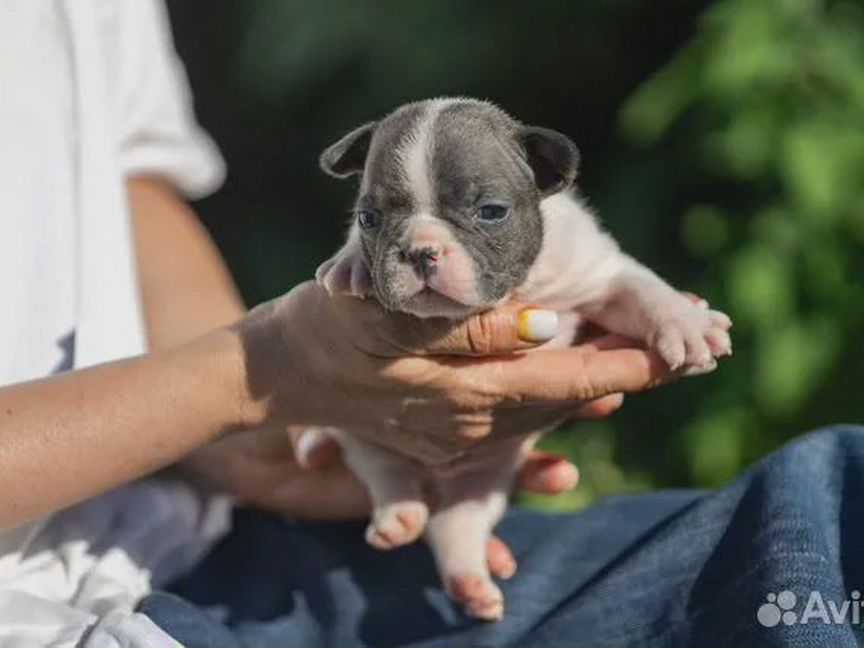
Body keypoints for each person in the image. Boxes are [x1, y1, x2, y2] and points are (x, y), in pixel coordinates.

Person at [3, 3, 860, 648]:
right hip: (66, 614)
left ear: (547, 179)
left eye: (480, 212)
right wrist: (253, 373)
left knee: (836, 501)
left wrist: (245, 435)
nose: (418, 250)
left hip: (209, 530)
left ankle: (451, 537)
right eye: (382, 223)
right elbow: (266, 355)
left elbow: (130, 180)